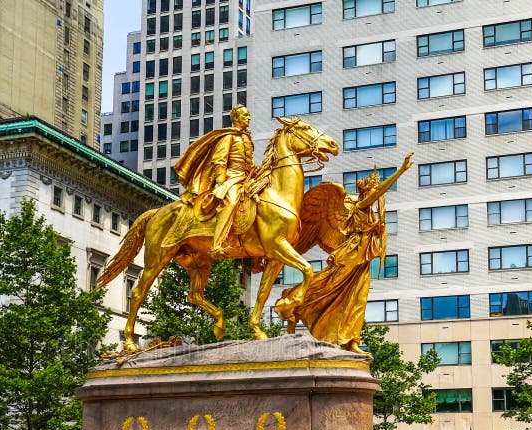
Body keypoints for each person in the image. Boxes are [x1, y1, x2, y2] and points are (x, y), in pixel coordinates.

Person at [276, 153, 413, 353]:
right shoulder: (360, 206)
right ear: (366, 192)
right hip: (350, 256)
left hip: (362, 261)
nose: (375, 192)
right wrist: (400, 171)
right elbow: (378, 193)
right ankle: (291, 306)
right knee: (324, 286)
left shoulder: (369, 210)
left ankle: (351, 341)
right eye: (372, 189)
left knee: (357, 300)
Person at [174, 104, 257, 256]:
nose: (249, 118)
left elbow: (249, 163)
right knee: (231, 203)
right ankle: (217, 243)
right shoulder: (228, 136)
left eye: (249, 115)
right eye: (245, 115)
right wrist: (220, 182)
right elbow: (220, 160)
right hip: (231, 178)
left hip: (246, 178)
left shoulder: (247, 138)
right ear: (236, 118)